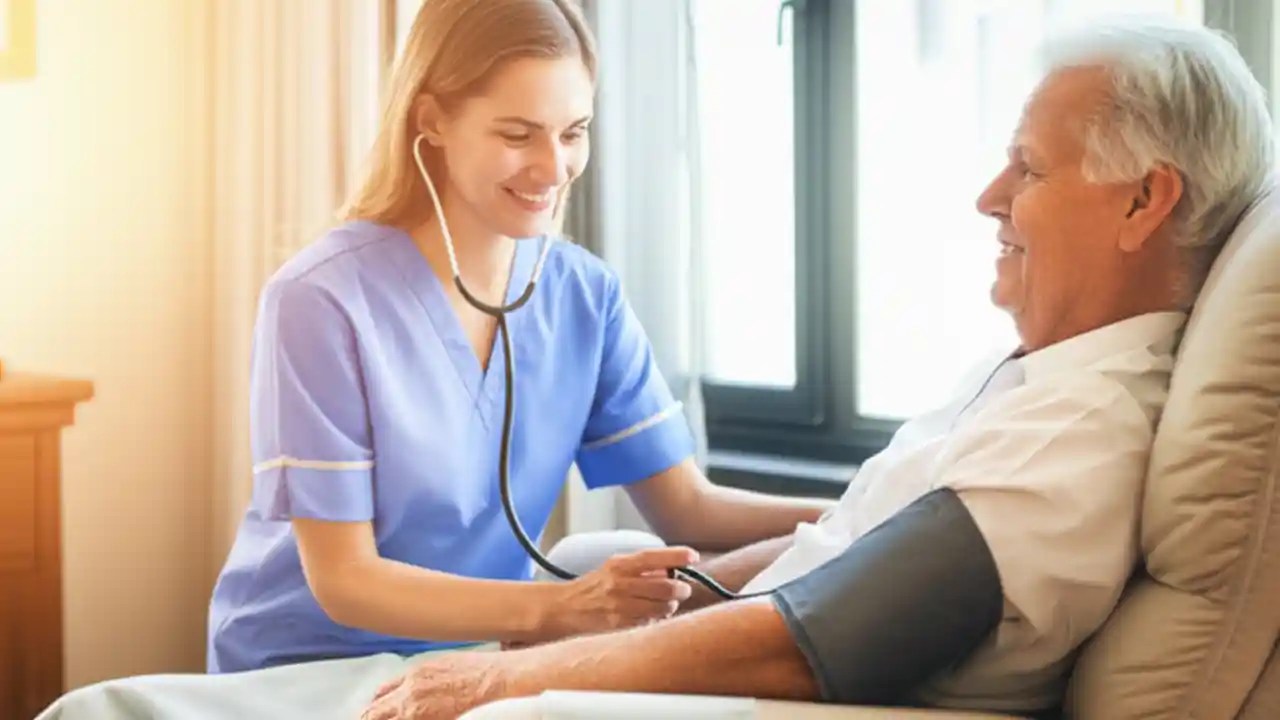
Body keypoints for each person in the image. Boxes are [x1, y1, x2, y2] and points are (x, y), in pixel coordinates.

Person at [357, 17, 1276, 720]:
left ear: (1144, 201)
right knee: (582, 572)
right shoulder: (1046, 379)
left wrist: (499, 676)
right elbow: (845, 546)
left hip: (775, 696)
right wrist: (677, 594)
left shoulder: (1072, 440)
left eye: (1029, 171)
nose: (989, 198)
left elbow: (809, 640)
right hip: (761, 651)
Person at [206, 0, 830, 675]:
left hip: (474, 660)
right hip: (305, 667)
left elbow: (688, 509)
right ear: (432, 121)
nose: (553, 167)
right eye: (517, 134)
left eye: (573, 132)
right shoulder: (320, 300)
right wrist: (564, 610)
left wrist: (874, 505)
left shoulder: (585, 296)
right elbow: (346, 581)